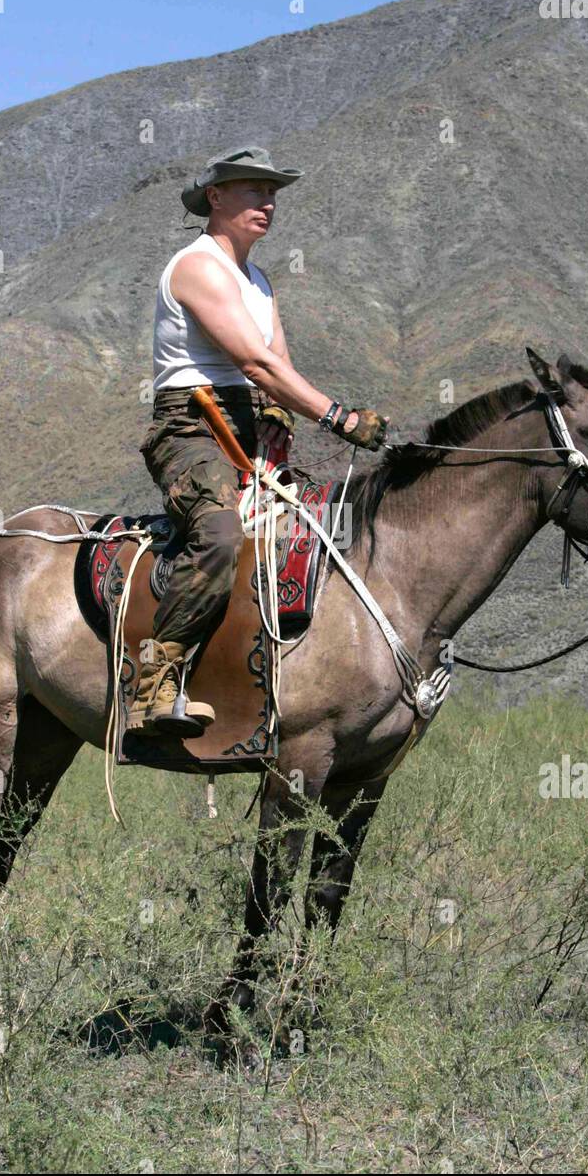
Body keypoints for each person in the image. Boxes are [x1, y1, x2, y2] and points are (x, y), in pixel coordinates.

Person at [128, 144, 389, 739]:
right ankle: (154, 684)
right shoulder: (196, 267)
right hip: (191, 427)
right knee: (219, 533)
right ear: (215, 197)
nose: (267, 203)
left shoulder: (259, 280)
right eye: (253, 190)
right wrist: (340, 417)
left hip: (248, 423)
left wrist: (283, 418)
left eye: (272, 193)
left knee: (319, 531)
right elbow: (253, 361)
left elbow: (276, 367)